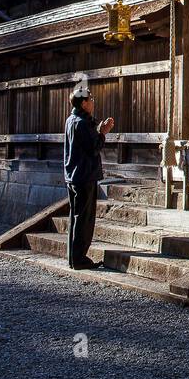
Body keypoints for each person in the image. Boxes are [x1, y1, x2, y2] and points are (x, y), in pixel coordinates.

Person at [63, 86, 115, 270]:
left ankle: (73, 257)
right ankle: (79, 259)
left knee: (76, 217)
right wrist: (103, 132)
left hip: (73, 175)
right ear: (84, 103)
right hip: (84, 175)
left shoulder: (71, 120)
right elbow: (93, 148)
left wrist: (98, 130)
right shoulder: (83, 123)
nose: (93, 102)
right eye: (91, 99)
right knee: (84, 220)